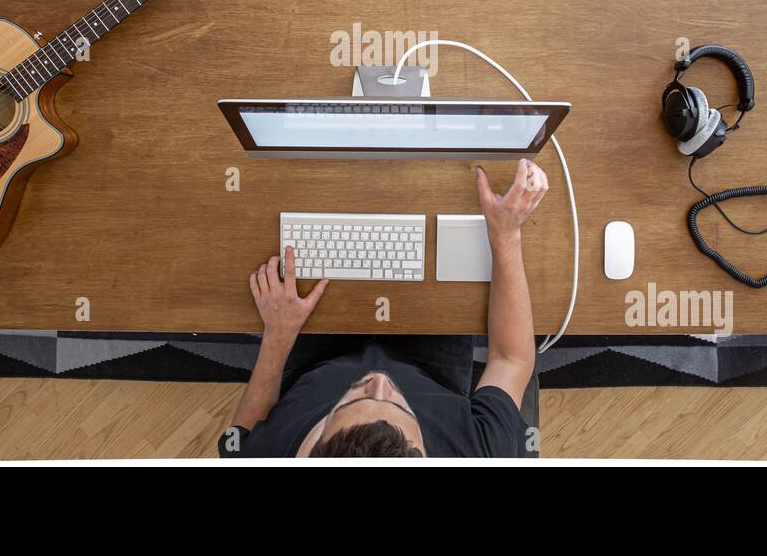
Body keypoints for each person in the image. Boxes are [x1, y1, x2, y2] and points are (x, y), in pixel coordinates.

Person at [217, 158, 548, 458]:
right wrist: (506, 234)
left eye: (357, 399)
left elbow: (249, 429)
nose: (379, 379)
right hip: (431, 370)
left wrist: (277, 335)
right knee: (438, 187)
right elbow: (510, 360)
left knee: (297, 182)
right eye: (401, 407)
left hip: (314, 363)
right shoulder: (480, 458)